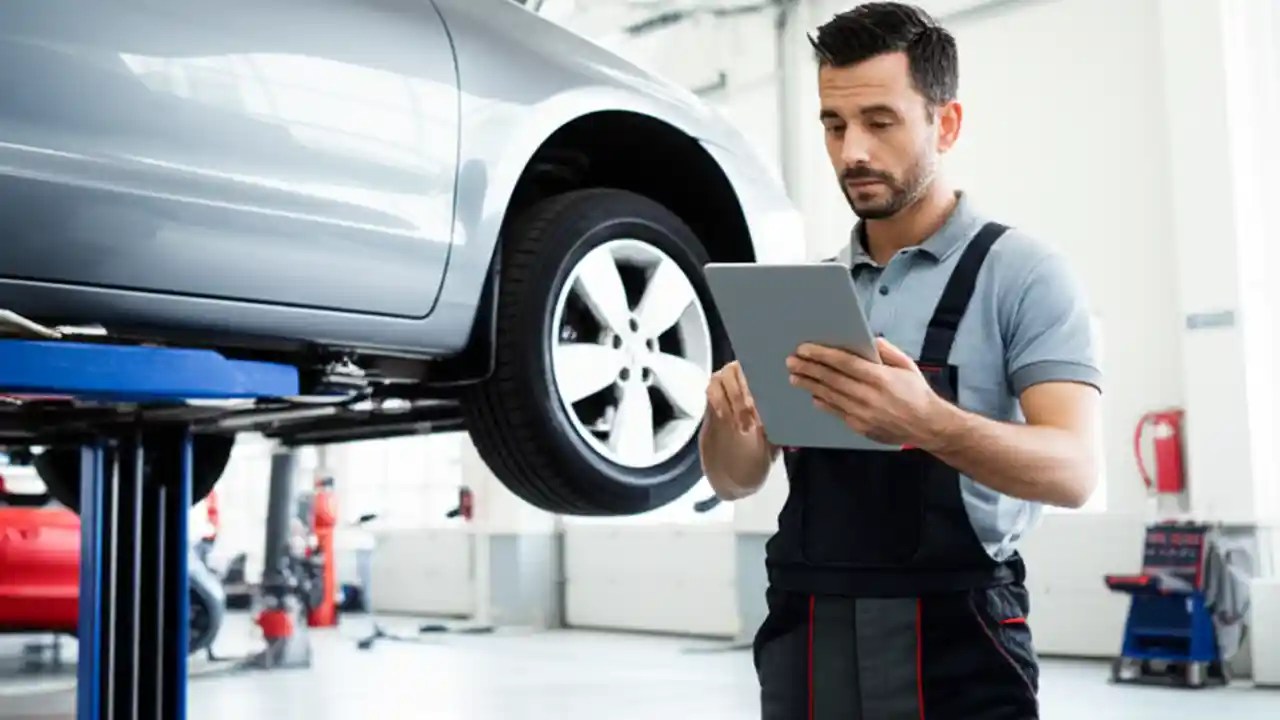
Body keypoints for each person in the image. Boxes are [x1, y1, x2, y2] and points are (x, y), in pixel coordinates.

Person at [698, 3, 1102, 718]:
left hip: (957, 639)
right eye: (833, 124)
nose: (852, 150)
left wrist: (929, 422)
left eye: (879, 122)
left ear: (944, 124)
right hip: (808, 634)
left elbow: (1073, 472)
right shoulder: (801, 296)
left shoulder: (1023, 274)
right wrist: (727, 417)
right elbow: (735, 481)